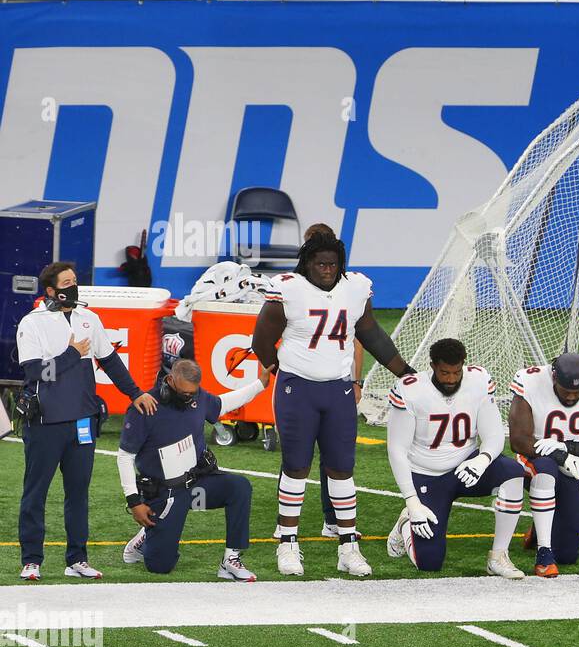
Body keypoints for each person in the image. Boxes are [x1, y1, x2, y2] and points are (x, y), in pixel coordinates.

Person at [252, 232, 414, 577]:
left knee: (342, 469)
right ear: (306, 263)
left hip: (338, 390)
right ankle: (288, 544)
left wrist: (404, 371)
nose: (327, 269)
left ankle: (348, 547)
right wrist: (278, 366)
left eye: (333, 263)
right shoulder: (288, 289)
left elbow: (370, 333)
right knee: (296, 467)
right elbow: (261, 340)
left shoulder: (354, 288)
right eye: (320, 263)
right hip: (298, 389)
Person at [15, 262, 158, 581]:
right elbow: (37, 372)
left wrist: (135, 393)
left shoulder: (89, 318)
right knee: (35, 492)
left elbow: (109, 361)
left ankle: (77, 558)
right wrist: (70, 354)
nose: (73, 286)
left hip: (81, 420)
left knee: (78, 493)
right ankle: (32, 560)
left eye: (75, 281)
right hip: (45, 423)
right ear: (51, 290)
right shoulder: (32, 323)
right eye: (67, 282)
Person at [383, 338, 526, 578]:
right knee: (429, 563)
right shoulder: (410, 389)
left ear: (464, 366)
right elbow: (397, 449)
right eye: (444, 373)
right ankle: (405, 523)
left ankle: (499, 555)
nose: (450, 379)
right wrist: (412, 501)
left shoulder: (478, 381)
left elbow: (493, 434)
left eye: (456, 372)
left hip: (466, 468)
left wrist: (482, 459)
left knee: (513, 474)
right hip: (427, 474)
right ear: (432, 366)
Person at [117, 359, 267, 580]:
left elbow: (222, 403)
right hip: (166, 493)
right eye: (184, 393)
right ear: (170, 381)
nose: (189, 398)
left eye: (193, 393)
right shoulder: (145, 406)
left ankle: (230, 560)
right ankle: (143, 540)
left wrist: (260, 384)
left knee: (239, 487)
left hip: (197, 487)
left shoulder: (198, 397)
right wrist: (133, 502)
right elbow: (125, 456)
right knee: (160, 566)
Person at [507, 352, 579, 576]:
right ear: (554, 378)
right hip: (533, 459)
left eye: (576, 392)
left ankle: (540, 531)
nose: (570, 397)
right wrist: (557, 456)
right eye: (565, 390)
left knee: (568, 555)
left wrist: (566, 449)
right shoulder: (530, 381)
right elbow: (518, 441)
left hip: (573, 463)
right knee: (547, 469)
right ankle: (544, 553)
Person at [300, 223, 364, 539]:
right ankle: (287, 526)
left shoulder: (349, 288)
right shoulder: (293, 286)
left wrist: (356, 380)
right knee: (296, 457)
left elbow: (359, 338)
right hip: (301, 383)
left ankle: (333, 520)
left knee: (334, 456)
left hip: (335, 383)